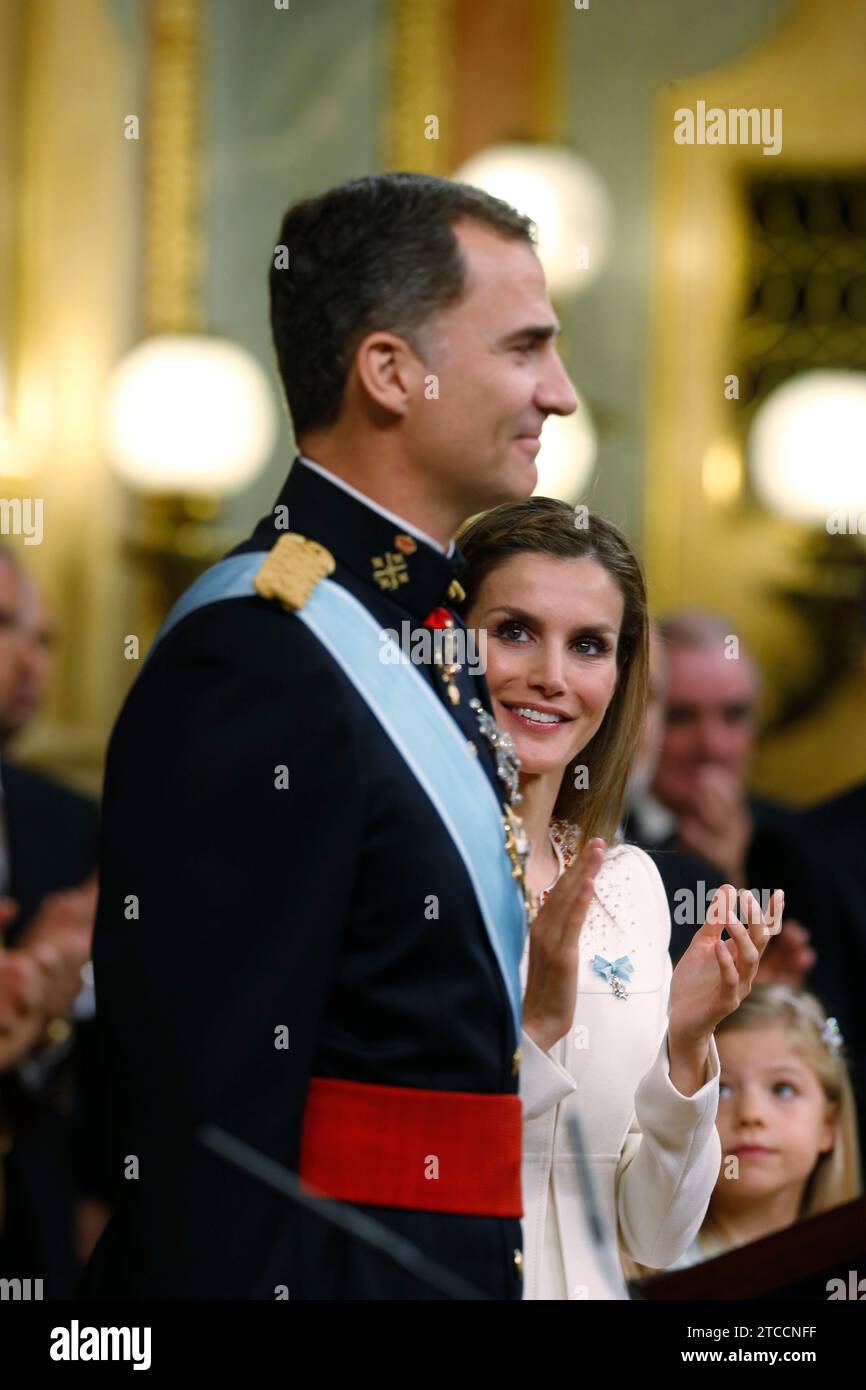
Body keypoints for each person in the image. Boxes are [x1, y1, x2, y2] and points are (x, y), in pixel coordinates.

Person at [81, 172, 580, 1301]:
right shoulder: (258, 654)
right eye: (523, 347)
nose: (559, 392)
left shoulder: (419, 624)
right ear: (390, 372)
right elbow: (209, 1129)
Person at [456, 498, 783, 1299]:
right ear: (447, 642)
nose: (552, 677)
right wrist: (534, 1026)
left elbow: (656, 1235)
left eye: (590, 646)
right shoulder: (414, 867)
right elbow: (427, 1180)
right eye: (515, 630)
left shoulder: (630, 883)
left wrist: (684, 1044)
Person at [0, 548, 99, 1297]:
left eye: (45, 639)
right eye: (6, 627)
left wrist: (50, 1020)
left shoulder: (72, 826)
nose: (31, 661)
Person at [650, 983, 862, 1272]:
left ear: (828, 1124)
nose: (751, 1115)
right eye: (721, 1090)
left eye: (783, 1089)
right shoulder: (659, 1272)